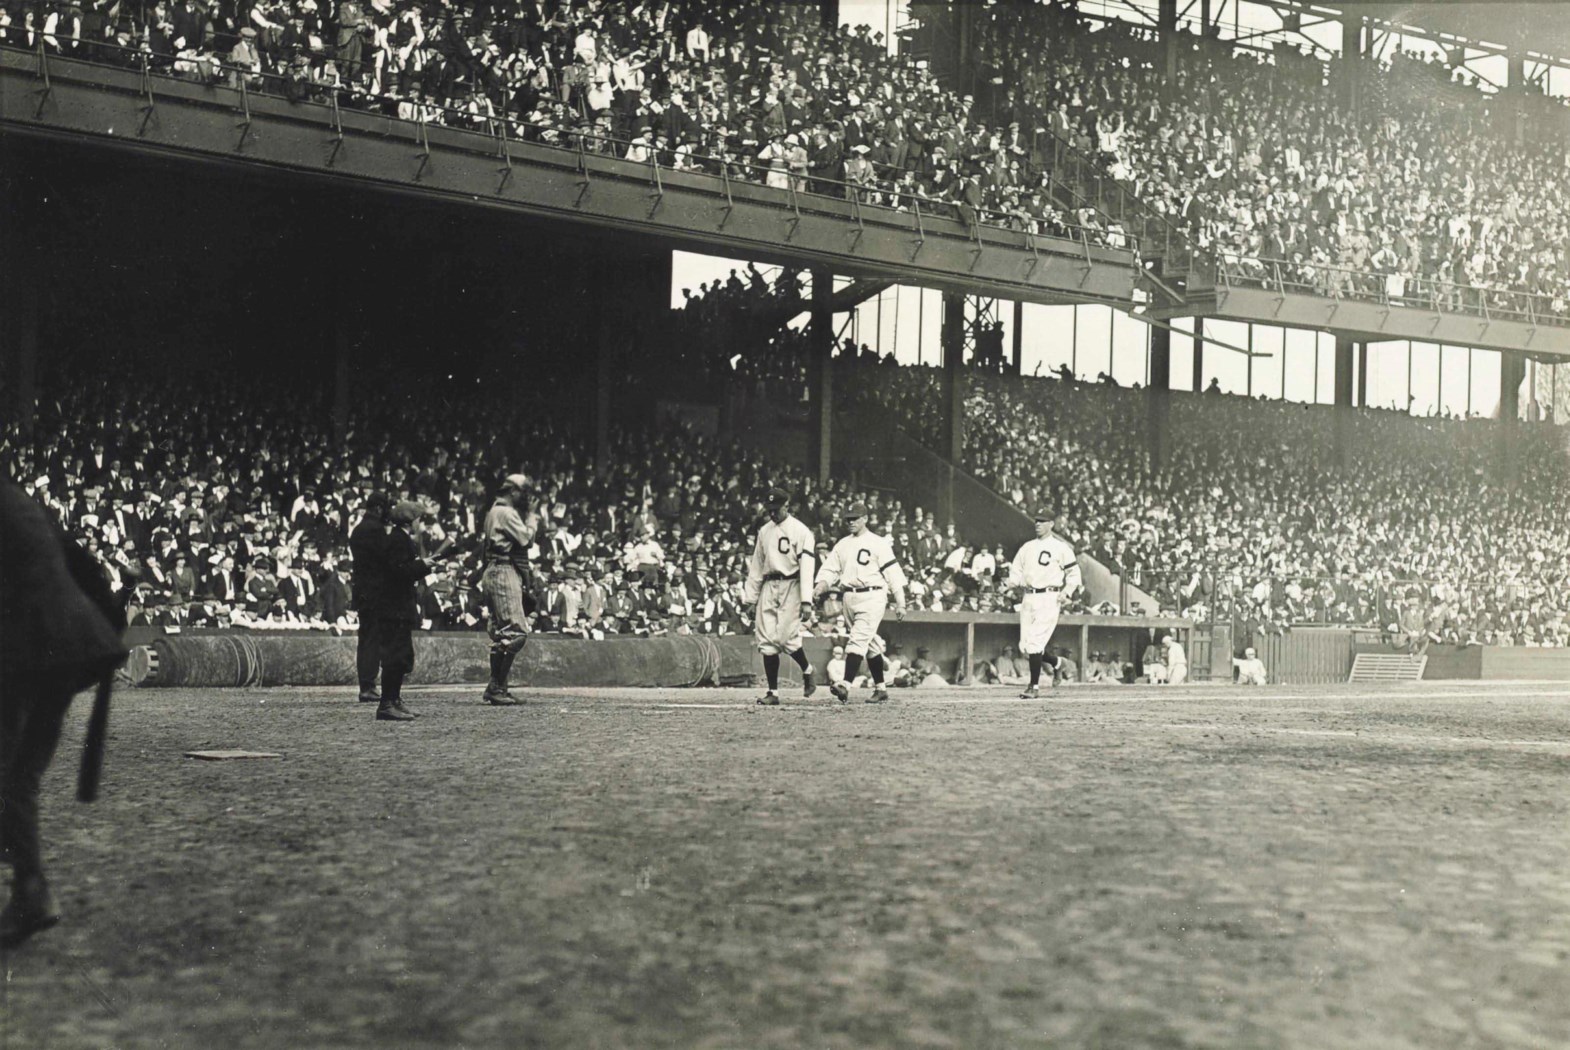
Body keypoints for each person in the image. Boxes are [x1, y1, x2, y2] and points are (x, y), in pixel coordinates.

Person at [1, 481, 128, 947]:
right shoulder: (19, 499)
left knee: (8, 769)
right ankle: (30, 887)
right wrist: (107, 629)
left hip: (25, 646)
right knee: (20, 773)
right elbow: (84, 565)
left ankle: (31, 887)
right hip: (72, 641)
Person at [813, 502, 907, 704]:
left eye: (855, 518)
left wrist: (901, 602)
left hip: (873, 595)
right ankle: (881, 689)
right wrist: (820, 586)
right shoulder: (842, 544)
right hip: (849, 596)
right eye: (848, 519)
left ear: (865, 518)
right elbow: (830, 569)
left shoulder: (878, 542)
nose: (850, 522)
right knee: (869, 644)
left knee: (857, 639)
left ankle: (845, 684)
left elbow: (893, 573)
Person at [741, 487, 817, 706]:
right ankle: (772, 692)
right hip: (768, 584)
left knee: (785, 637)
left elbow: (807, 567)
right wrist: (750, 599)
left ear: (787, 506)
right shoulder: (765, 531)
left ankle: (807, 670)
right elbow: (756, 566)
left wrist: (806, 600)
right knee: (766, 640)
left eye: (776, 509)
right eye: (770, 510)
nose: (772, 514)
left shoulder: (801, 531)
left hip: (791, 584)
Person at [365, 500, 434, 721]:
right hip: (394, 608)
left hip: (398, 608)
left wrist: (423, 566)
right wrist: (423, 565)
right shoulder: (398, 541)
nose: (420, 523)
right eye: (419, 519)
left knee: (401, 656)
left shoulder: (400, 539)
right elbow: (398, 572)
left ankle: (394, 699)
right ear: (409, 521)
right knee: (394, 657)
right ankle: (387, 703)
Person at [1007, 506, 1083, 699]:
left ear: (1051, 524)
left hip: (1049, 597)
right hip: (1029, 597)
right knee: (1026, 646)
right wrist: (1013, 582)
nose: (1038, 524)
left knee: (1034, 643)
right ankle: (1058, 663)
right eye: (1037, 521)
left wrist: (1067, 592)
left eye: (1042, 521)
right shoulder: (1027, 547)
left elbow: (1074, 574)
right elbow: (1015, 571)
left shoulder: (1061, 547)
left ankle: (1033, 687)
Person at [479, 474, 536, 705]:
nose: (526, 497)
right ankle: (495, 687)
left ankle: (498, 687)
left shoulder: (495, 510)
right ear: (513, 491)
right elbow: (527, 540)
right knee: (516, 633)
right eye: (523, 492)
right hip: (503, 569)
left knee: (501, 633)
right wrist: (532, 517)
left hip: (495, 569)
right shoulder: (506, 512)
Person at [349, 490, 389, 703]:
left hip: (362, 591)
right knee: (373, 640)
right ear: (379, 508)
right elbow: (385, 559)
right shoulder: (376, 529)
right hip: (376, 591)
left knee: (365, 639)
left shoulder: (358, 529)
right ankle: (369, 685)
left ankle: (365, 684)